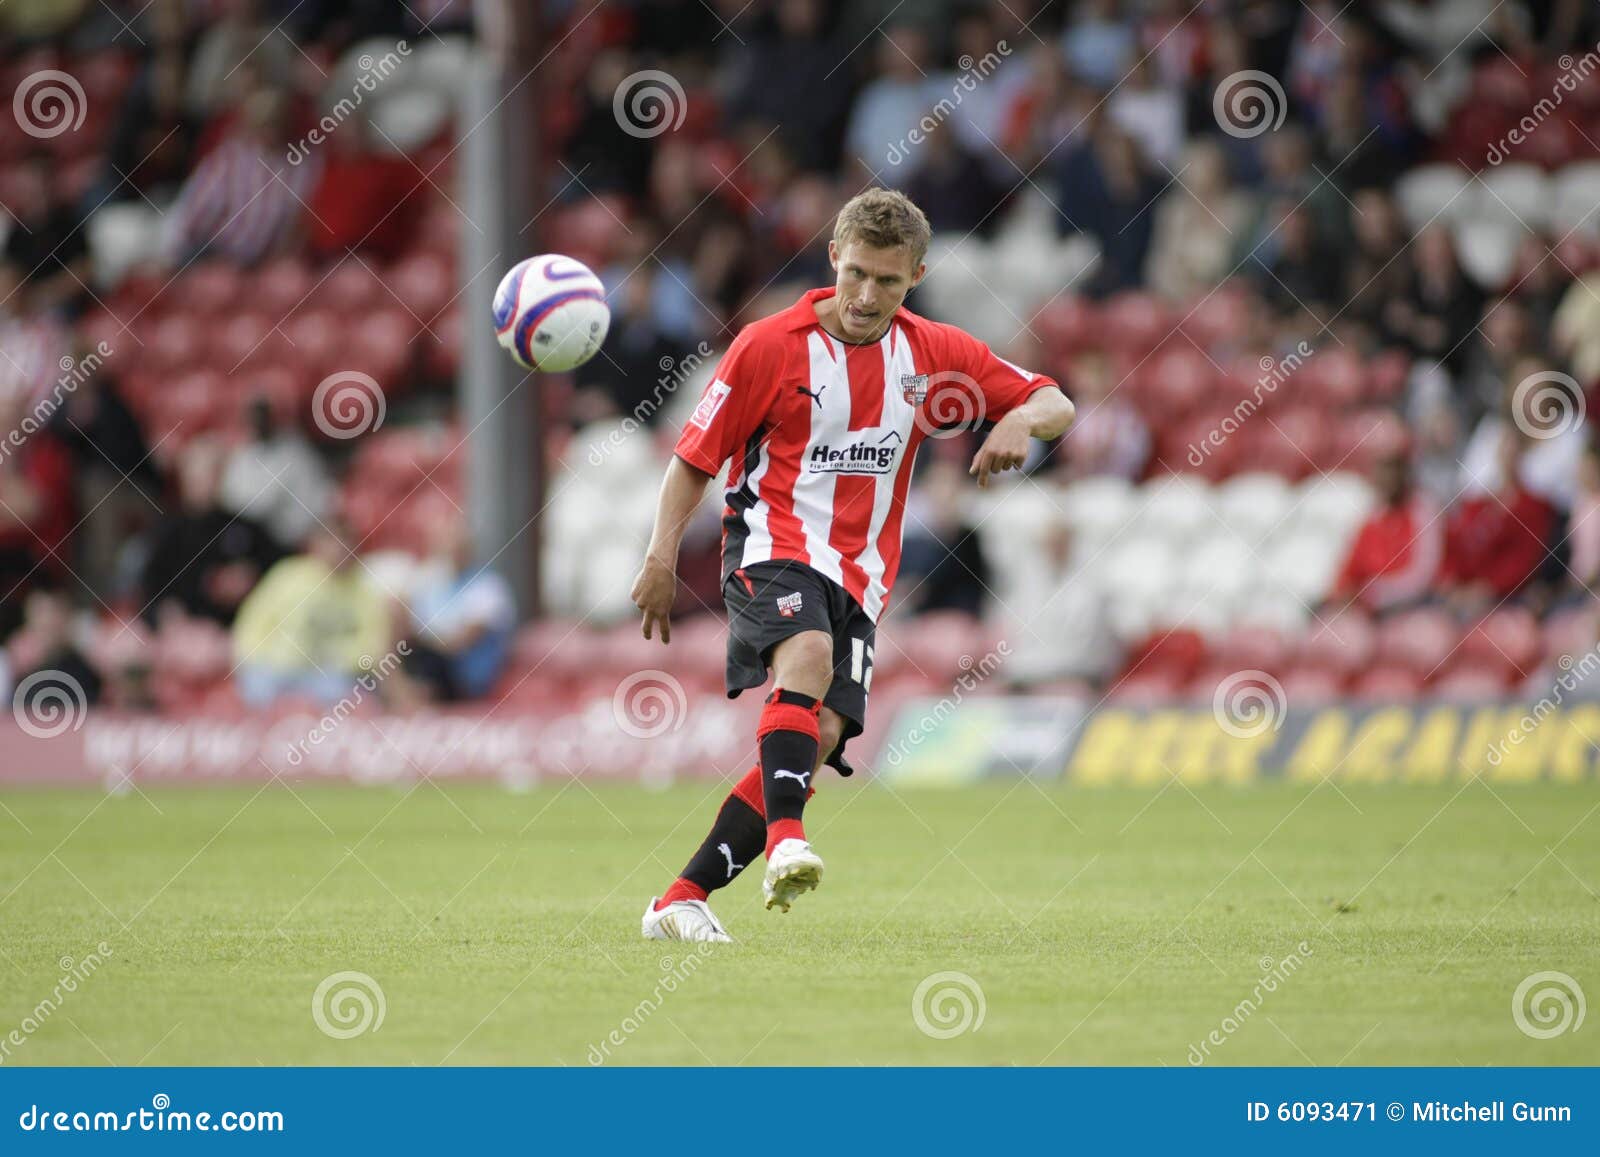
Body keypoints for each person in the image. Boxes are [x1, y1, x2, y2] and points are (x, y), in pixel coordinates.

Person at [630, 188, 1074, 942]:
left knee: (825, 730)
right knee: (802, 658)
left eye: (890, 282)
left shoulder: (930, 353)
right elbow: (692, 460)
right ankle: (787, 842)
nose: (868, 296)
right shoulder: (769, 346)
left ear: (917, 277)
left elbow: (1055, 399)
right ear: (833, 257)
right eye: (857, 273)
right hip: (771, 545)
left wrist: (1017, 419)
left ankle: (680, 895)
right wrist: (659, 556)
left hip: (862, 575)